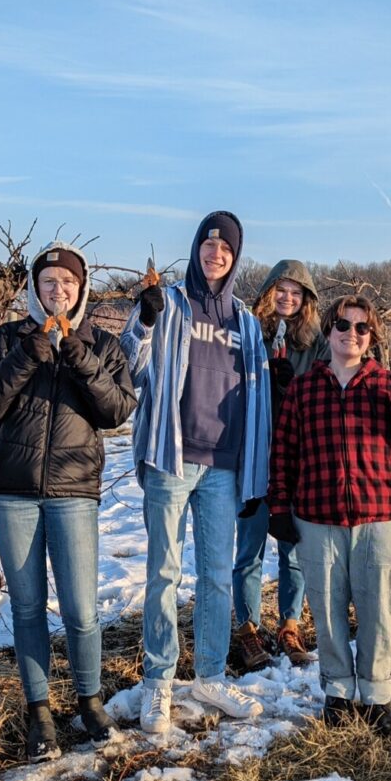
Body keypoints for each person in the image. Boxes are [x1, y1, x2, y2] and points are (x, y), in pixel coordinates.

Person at [0, 242, 137, 762]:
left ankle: (90, 702)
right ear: (34, 290)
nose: (58, 289)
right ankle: (38, 711)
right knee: (26, 608)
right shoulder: (5, 338)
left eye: (67, 282)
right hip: (10, 491)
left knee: (82, 610)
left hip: (74, 491)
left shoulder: (102, 344)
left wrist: (75, 355)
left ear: (80, 288)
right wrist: (30, 353)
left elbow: (115, 410)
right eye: (48, 282)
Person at [121, 212, 274, 733]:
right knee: (164, 572)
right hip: (172, 456)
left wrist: (256, 476)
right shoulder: (171, 304)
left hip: (224, 467)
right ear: (196, 250)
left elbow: (260, 401)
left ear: (235, 258)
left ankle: (209, 674)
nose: (216, 254)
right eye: (208, 245)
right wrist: (143, 319)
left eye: (226, 249)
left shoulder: (246, 323)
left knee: (215, 575)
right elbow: (132, 369)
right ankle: (158, 682)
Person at [268, 295, 391, 736]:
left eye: (361, 328)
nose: (351, 333)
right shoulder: (304, 388)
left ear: (371, 337)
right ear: (328, 331)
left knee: (378, 612)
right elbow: (283, 454)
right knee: (327, 609)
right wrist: (279, 508)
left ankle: (377, 695)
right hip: (318, 518)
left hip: (379, 519)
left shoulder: (387, 387)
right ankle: (338, 691)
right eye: (342, 324)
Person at [231, 259, 327, 670]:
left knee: (292, 549)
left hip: (296, 459)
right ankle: (248, 628)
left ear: (306, 299)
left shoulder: (316, 341)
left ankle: (290, 624)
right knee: (249, 549)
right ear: (269, 292)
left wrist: (292, 388)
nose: (287, 298)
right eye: (280, 290)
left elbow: (325, 394)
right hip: (253, 455)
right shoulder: (249, 333)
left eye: (296, 292)